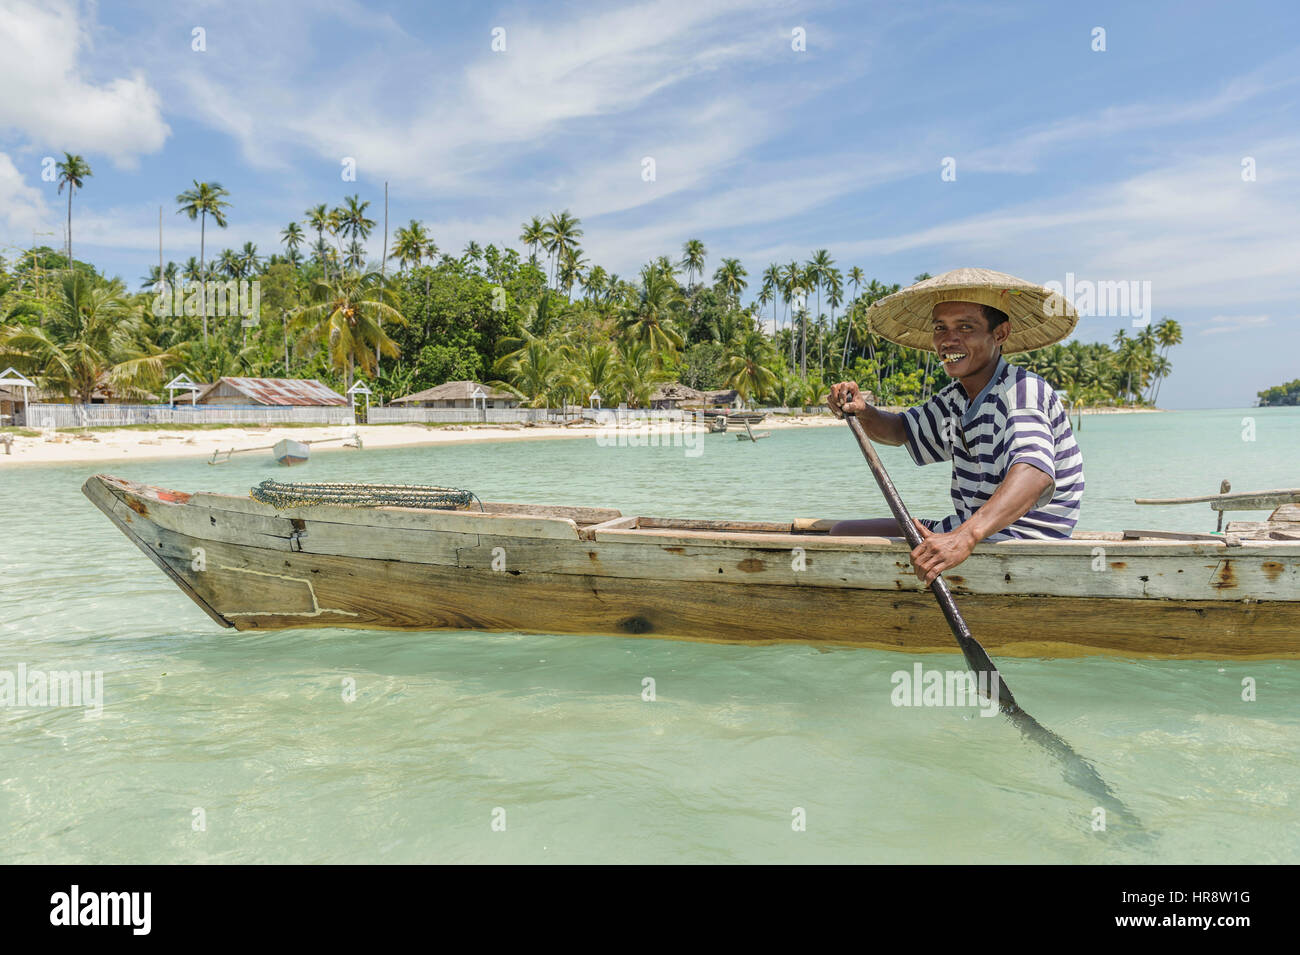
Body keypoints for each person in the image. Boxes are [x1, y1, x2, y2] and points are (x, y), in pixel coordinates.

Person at [827, 268, 1084, 585]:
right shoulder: (957, 398)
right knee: (841, 535)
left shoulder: (1020, 392)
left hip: (1022, 541)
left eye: (966, 327)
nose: (949, 339)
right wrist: (863, 411)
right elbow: (899, 431)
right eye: (940, 328)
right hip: (976, 529)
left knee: (842, 541)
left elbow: (1034, 473)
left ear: (1000, 334)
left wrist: (965, 537)